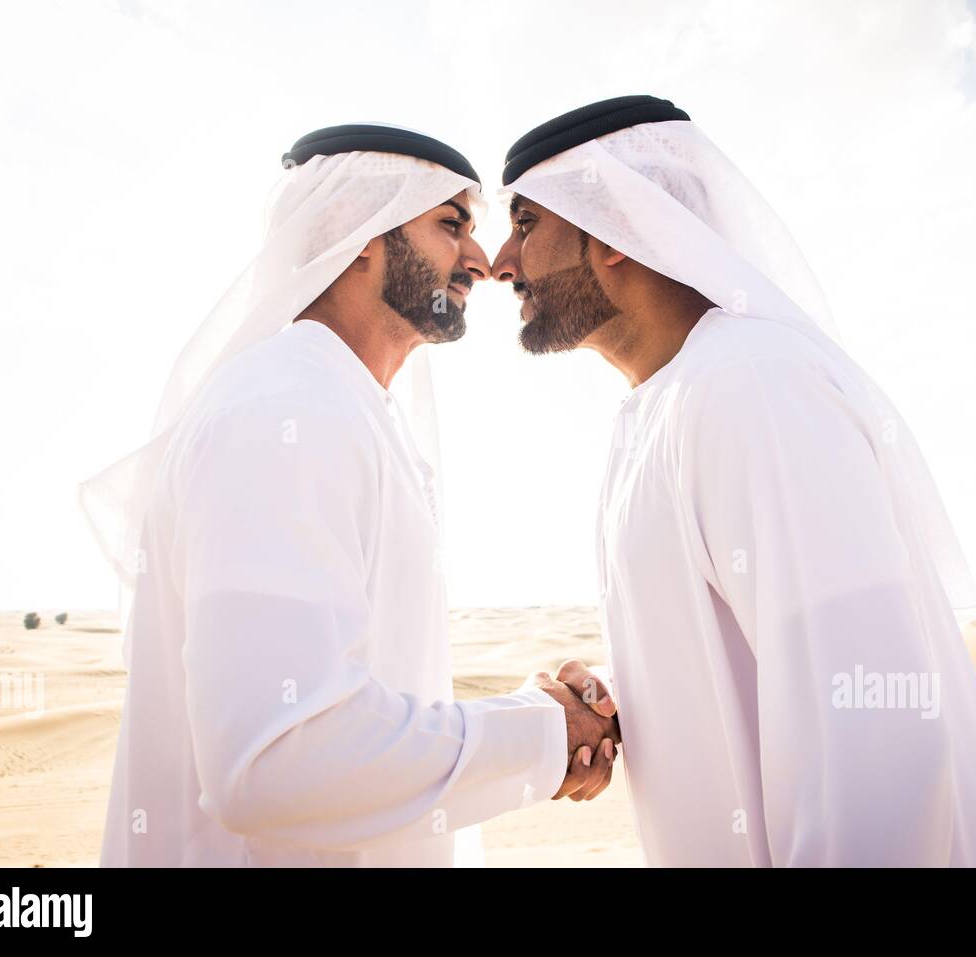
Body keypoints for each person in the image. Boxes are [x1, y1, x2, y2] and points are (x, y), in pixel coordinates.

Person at [489, 95, 976, 867]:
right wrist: (621, 693)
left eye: (526, 224)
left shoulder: (753, 384)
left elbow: (873, 736)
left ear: (611, 228)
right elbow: (760, 654)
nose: (499, 262)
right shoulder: (660, 406)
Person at [80, 123, 618, 867]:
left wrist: (533, 715)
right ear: (354, 233)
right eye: (450, 224)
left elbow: (361, 696)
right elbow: (276, 758)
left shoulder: (345, 408)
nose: (478, 260)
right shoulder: (283, 410)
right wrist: (536, 733)